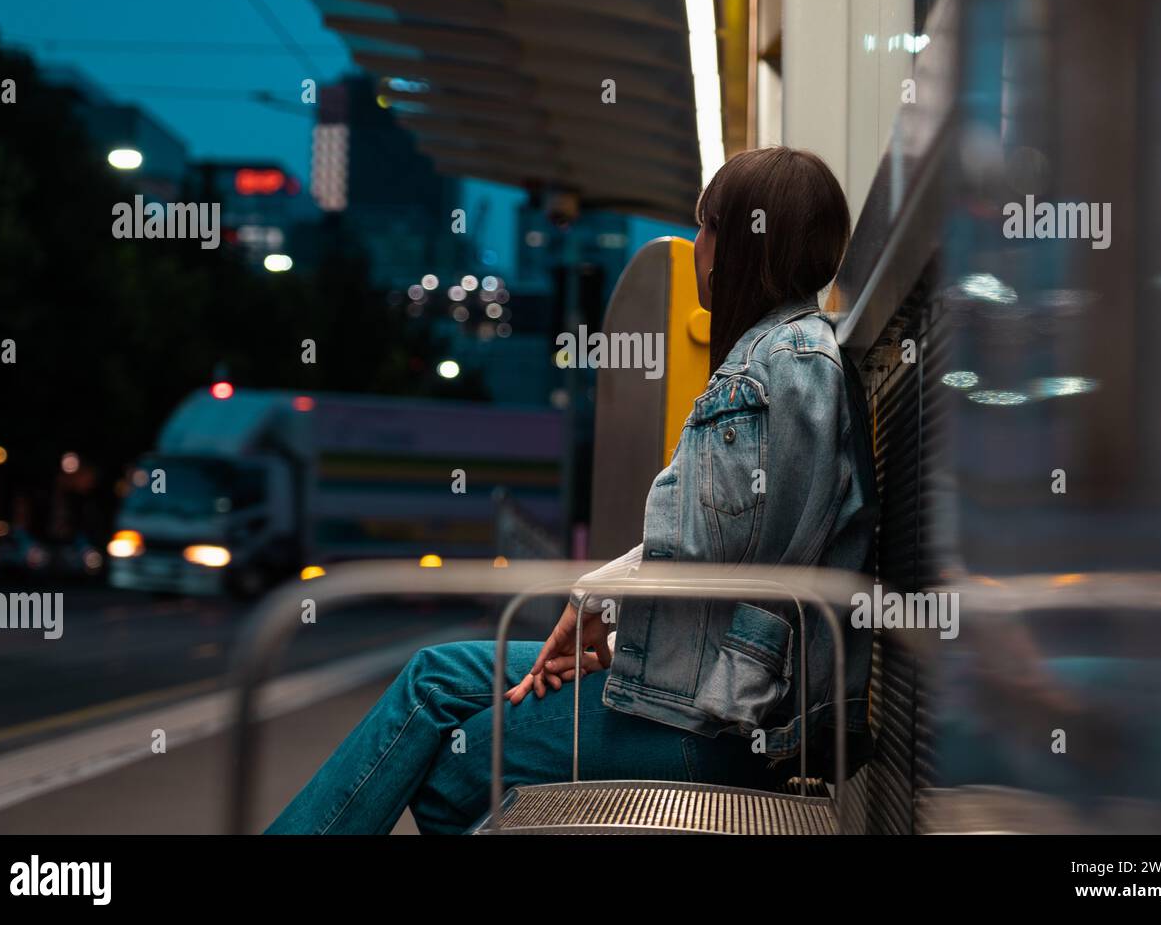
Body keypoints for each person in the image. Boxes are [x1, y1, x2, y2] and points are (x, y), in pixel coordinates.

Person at [266, 147, 879, 835]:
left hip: (725, 727)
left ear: (744, 241)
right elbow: (733, 548)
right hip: (714, 696)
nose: (696, 243)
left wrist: (602, 608)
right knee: (435, 678)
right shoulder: (786, 356)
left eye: (708, 225)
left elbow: (727, 556)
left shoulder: (784, 365)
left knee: (458, 771)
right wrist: (593, 606)